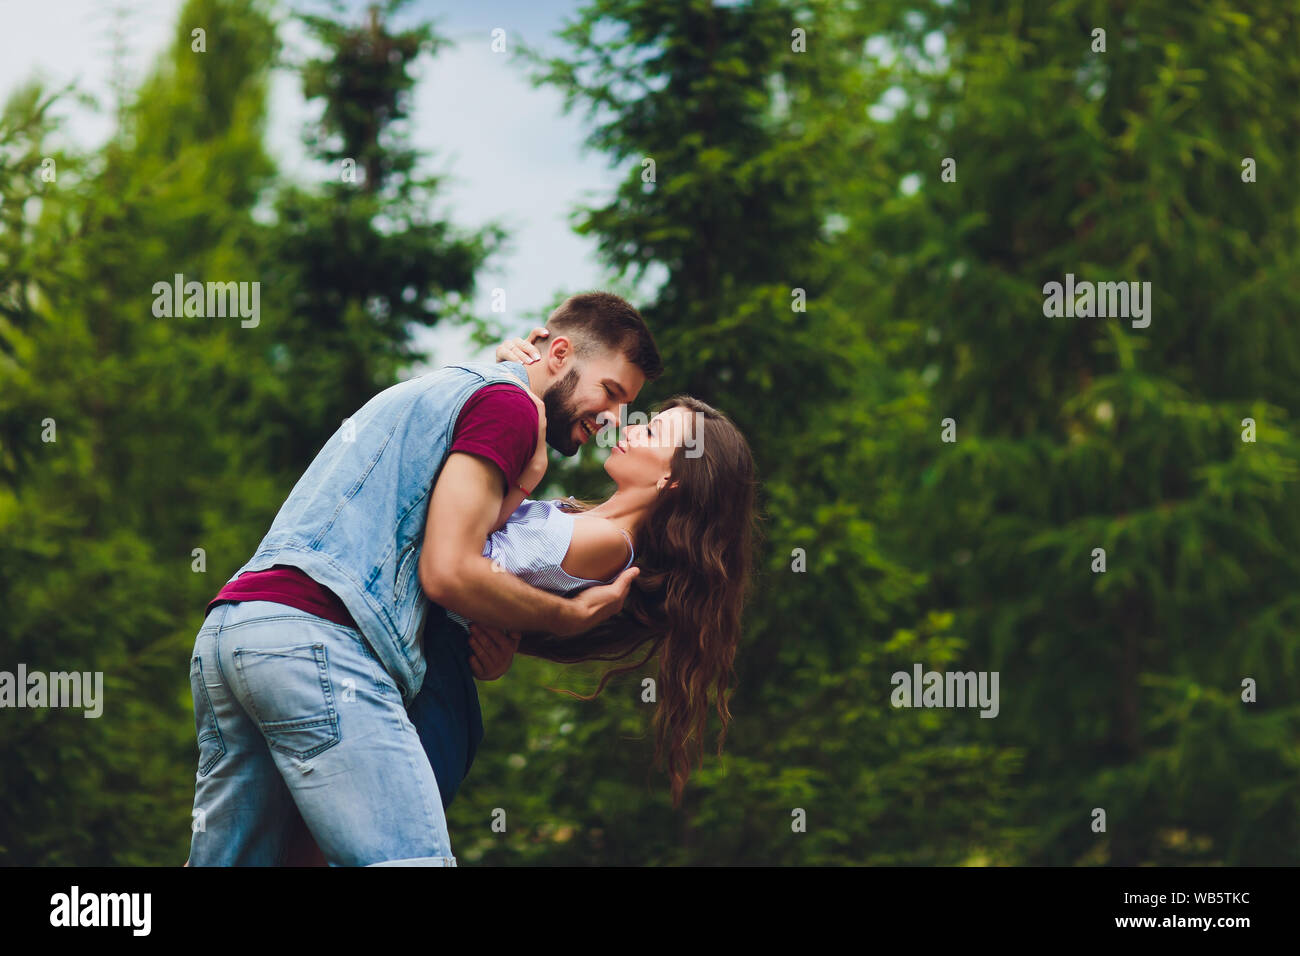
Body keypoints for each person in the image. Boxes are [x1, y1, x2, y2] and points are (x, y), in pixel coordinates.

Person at [185, 292, 662, 866]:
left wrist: (523, 485)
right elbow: (449, 570)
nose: (613, 418)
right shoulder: (509, 409)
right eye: (611, 392)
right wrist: (569, 616)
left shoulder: (459, 386)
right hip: (319, 643)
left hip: (233, 633)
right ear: (560, 352)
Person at [285, 391, 758, 865]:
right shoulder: (587, 522)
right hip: (433, 674)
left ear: (671, 478)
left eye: (651, 432)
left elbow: (476, 560)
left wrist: (522, 457)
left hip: (433, 686)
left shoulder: (606, 542)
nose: (630, 429)